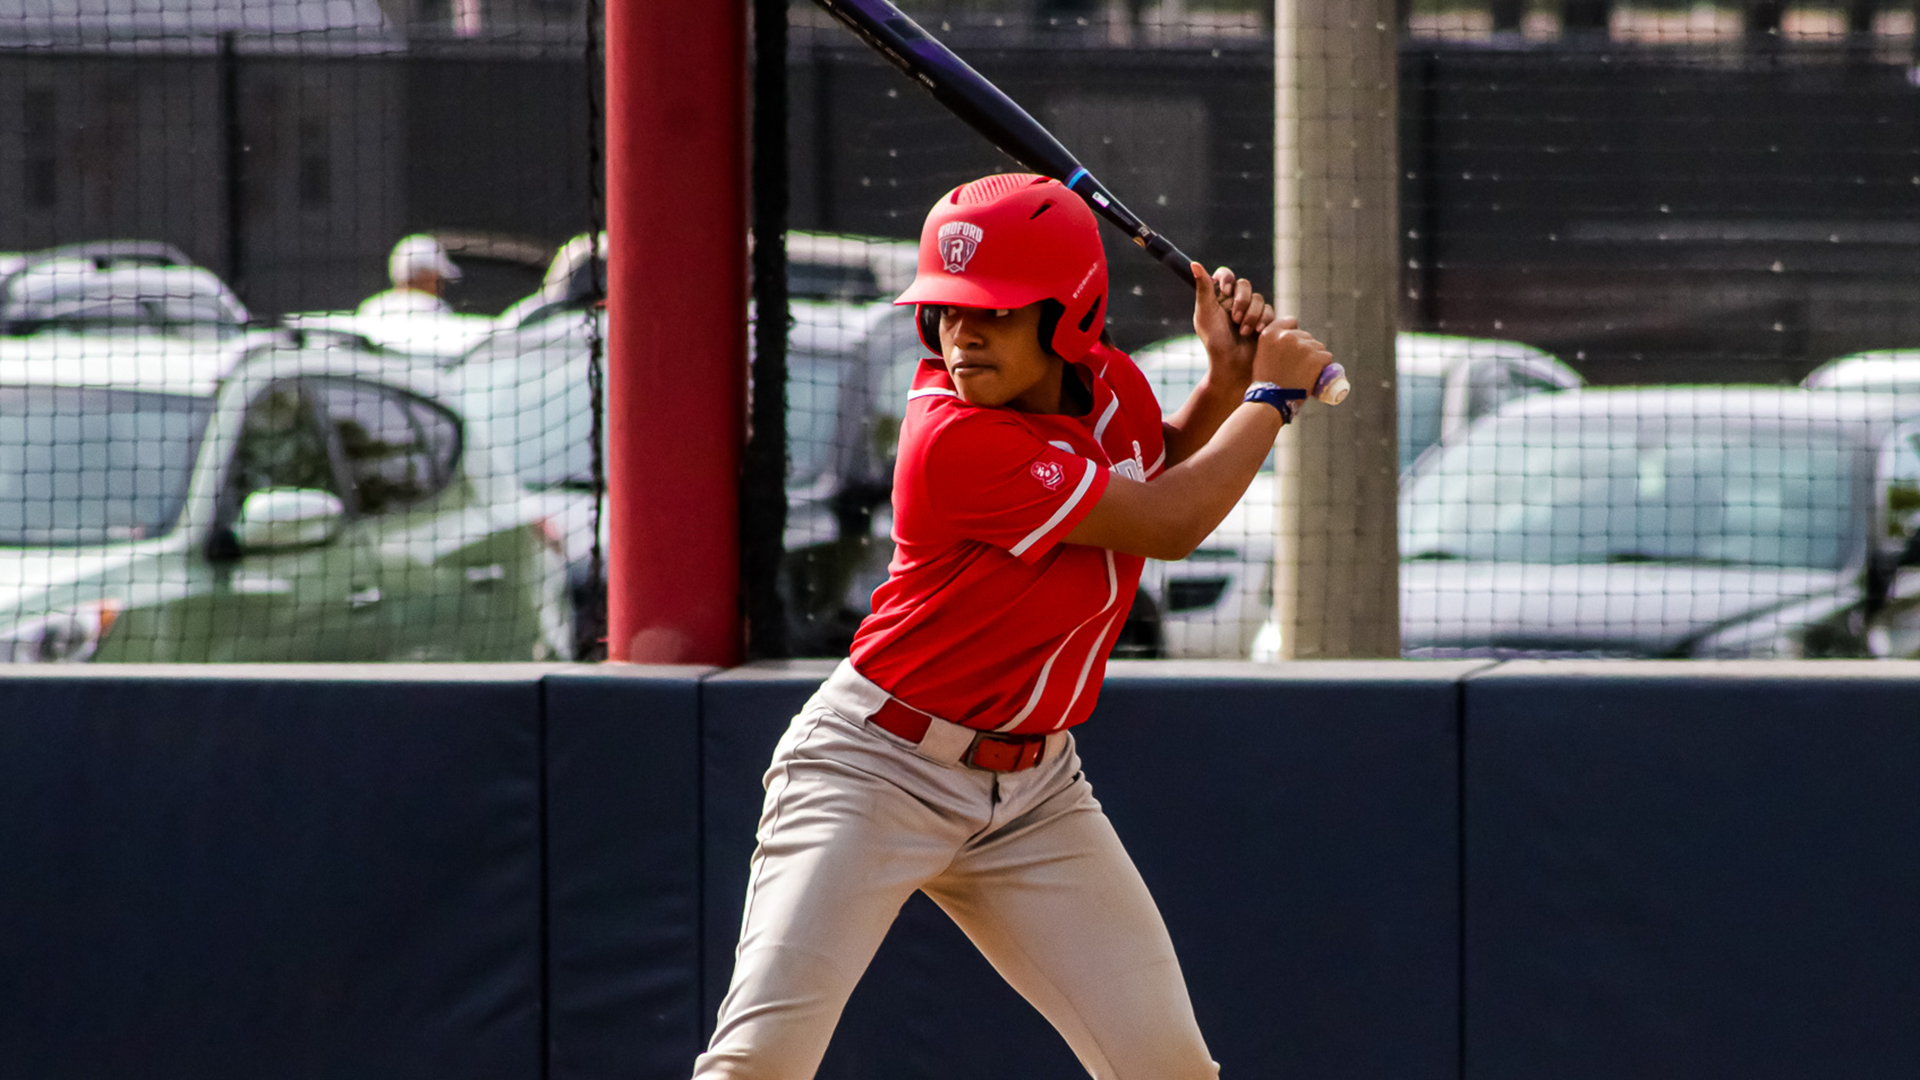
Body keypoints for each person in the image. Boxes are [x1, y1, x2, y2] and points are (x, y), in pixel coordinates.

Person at [694, 173, 1335, 1080]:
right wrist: (1270, 399)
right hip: (874, 768)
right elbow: (1168, 525)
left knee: (1168, 1070)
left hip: (1037, 795)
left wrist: (1227, 380)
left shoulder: (1107, 383)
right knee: (758, 1064)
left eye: (993, 311)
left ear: (1069, 320)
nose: (963, 332)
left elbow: (1150, 471)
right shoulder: (951, 438)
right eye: (947, 310)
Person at [357, 234, 461, 316]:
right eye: (439, 279)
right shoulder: (438, 309)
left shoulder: (370, 307)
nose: (442, 286)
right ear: (424, 276)